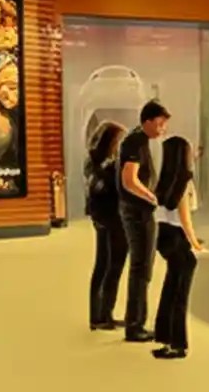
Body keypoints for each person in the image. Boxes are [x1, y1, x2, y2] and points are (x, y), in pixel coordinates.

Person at [118, 100, 170, 342]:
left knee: (141, 267)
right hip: (138, 211)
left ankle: (136, 321)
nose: (162, 130)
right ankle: (135, 324)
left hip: (136, 209)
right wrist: (151, 197)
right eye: (159, 124)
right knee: (142, 268)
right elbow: (129, 179)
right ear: (147, 121)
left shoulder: (136, 139)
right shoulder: (136, 142)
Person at [150, 136, 203, 360]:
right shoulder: (184, 182)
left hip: (164, 235)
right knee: (180, 294)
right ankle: (178, 344)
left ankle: (165, 338)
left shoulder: (164, 181)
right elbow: (185, 218)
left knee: (169, 289)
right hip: (178, 237)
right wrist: (195, 243)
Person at [85, 121, 128, 331]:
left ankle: (98, 315)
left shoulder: (93, 163)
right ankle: (105, 314)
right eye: (119, 140)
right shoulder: (110, 166)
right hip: (113, 219)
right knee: (113, 266)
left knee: (102, 265)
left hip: (101, 218)